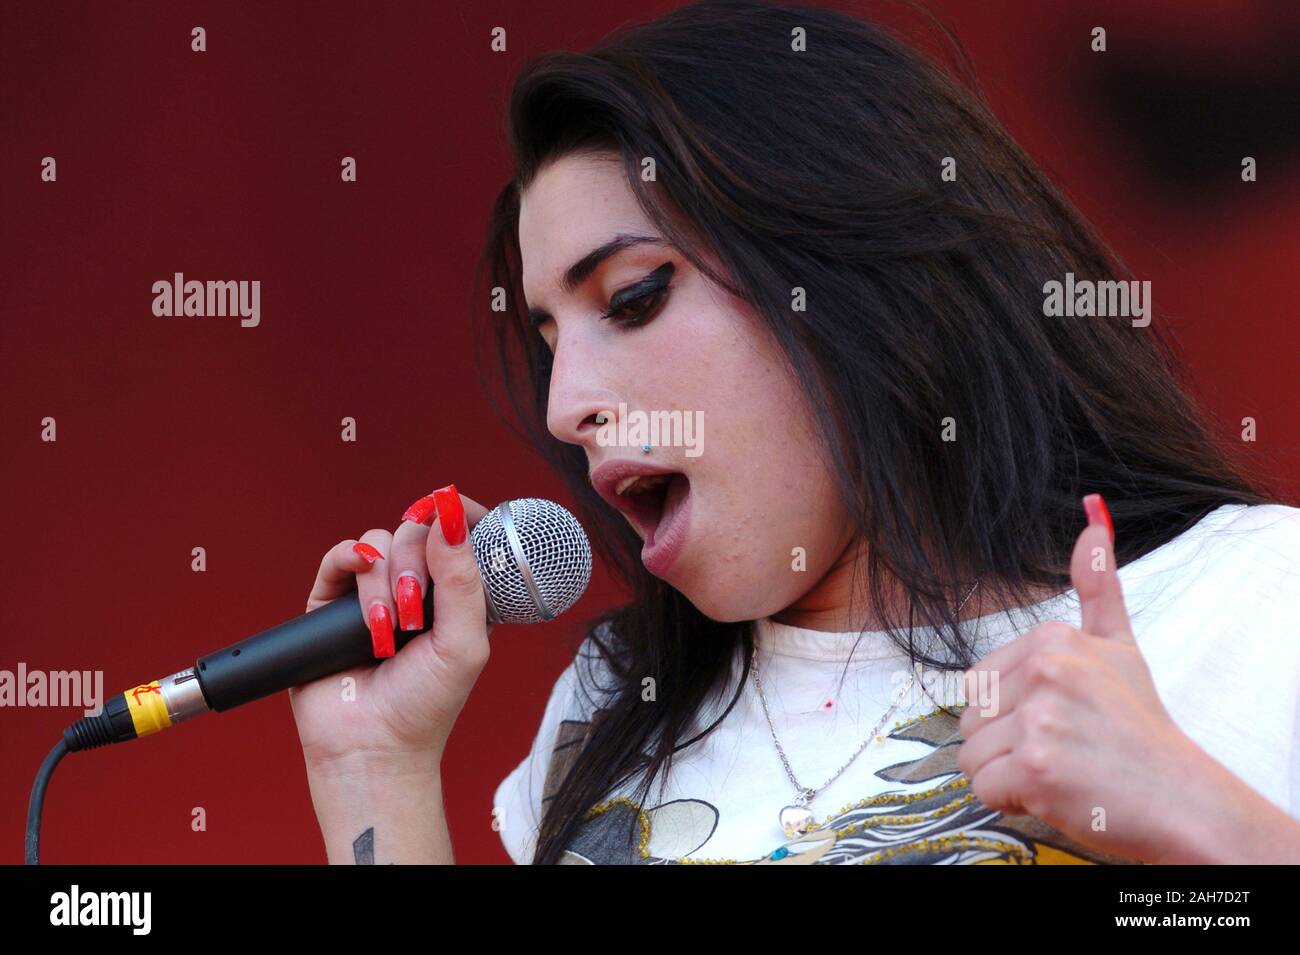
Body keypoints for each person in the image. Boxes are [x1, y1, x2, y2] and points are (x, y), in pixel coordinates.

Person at [289, 0, 1300, 864]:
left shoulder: (1258, 604)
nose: (567, 406)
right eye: (550, 340)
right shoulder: (606, 711)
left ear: (856, 273)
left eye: (634, 296)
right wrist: (372, 767)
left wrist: (1206, 824)